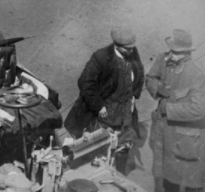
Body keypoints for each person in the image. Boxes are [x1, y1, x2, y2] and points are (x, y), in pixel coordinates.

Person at [64, 28, 145, 169]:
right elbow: (85, 83)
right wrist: (98, 105)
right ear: (117, 46)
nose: (131, 51)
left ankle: (119, 173)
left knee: (124, 145)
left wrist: (133, 95)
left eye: (132, 48)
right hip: (105, 112)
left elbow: (140, 72)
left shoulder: (132, 52)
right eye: (127, 49)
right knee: (99, 147)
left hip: (125, 111)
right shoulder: (101, 57)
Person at [147, 29, 205, 192]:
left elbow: (199, 110)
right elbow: (150, 77)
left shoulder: (197, 74)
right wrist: (157, 89)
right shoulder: (163, 59)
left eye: (175, 52)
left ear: (186, 53)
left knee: (188, 184)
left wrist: (168, 108)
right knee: (161, 181)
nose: (170, 55)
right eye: (170, 50)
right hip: (161, 134)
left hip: (184, 141)